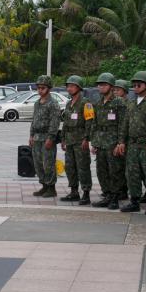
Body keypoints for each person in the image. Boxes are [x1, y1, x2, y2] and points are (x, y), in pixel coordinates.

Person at [117, 71, 146, 214]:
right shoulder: (131, 103)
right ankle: (134, 201)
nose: (136, 87)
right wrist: (121, 141)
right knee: (132, 173)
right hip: (133, 144)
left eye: (139, 84)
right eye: (134, 84)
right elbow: (125, 123)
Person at [90, 73, 125, 209]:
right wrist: (94, 142)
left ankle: (115, 197)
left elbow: (123, 124)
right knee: (101, 171)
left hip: (113, 142)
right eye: (99, 85)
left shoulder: (118, 102)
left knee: (114, 171)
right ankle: (107, 195)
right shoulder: (98, 103)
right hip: (101, 142)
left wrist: (120, 142)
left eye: (103, 84)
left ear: (111, 86)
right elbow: (95, 123)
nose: (100, 87)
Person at [60, 75, 94, 204]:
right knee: (70, 167)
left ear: (79, 88)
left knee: (83, 167)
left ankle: (86, 193)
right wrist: (63, 138)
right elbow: (65, 122)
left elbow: (89, 123)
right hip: (69, 140)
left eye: (72, 86)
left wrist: (87, 139)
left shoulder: (86, 103)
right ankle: (74, 191)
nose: (69, 88)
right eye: (68, 86)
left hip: (80, 140)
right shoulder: (68, 103)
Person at [29, 75, 60, 198]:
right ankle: (44, 186)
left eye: (43, 88)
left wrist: (51, 138)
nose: (40, 90)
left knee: (48, 163)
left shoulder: (53, 103)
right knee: (38, 163)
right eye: (38, 88)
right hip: (37, 137)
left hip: (47, 137)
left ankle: (51, 188)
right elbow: (34, 120)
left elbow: (55, 122)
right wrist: (31, 135)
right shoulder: (37, 103)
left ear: (49, 88)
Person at [111, 79, 130, 201]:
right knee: (117, 167)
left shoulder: (128, 104)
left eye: (118, 90)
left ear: (125, 91)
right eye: (114, 90)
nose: (116, 92)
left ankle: (124, 190)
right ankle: (119, 190)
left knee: (124, 167)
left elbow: (125, 124)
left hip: (126, 139)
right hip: (116, 138)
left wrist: (122, 141)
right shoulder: (115, 103)